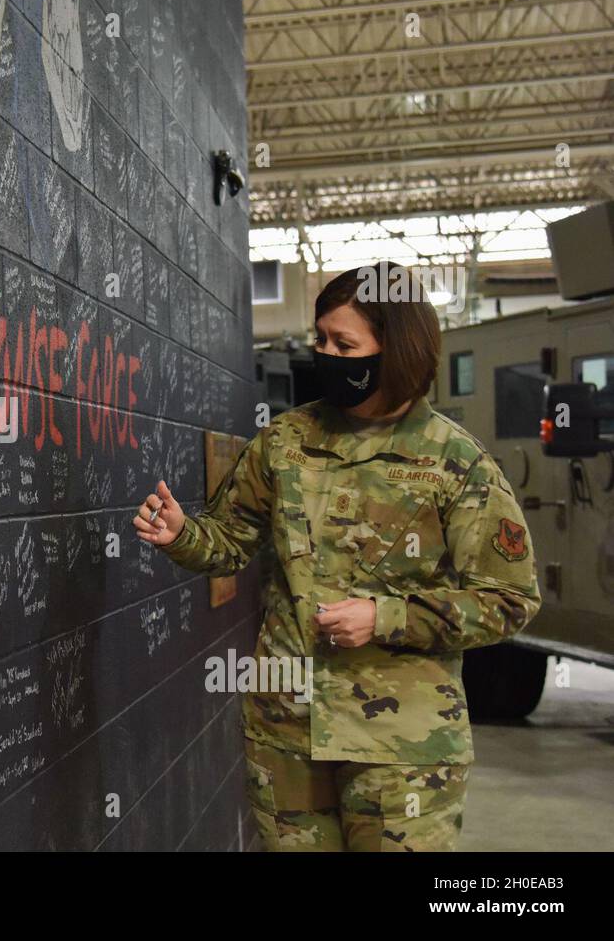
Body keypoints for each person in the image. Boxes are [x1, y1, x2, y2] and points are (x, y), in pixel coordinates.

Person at [134, 262, 541, 851]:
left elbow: (510, 600)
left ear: (395, 351)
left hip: (403, 745)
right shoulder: (284, 442)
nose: (326, 353)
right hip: (286, 729)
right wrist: (181, 535)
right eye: (321, 339)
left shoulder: (456, 462)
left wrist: (386, 617)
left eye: (344, 344)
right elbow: (228, 544)